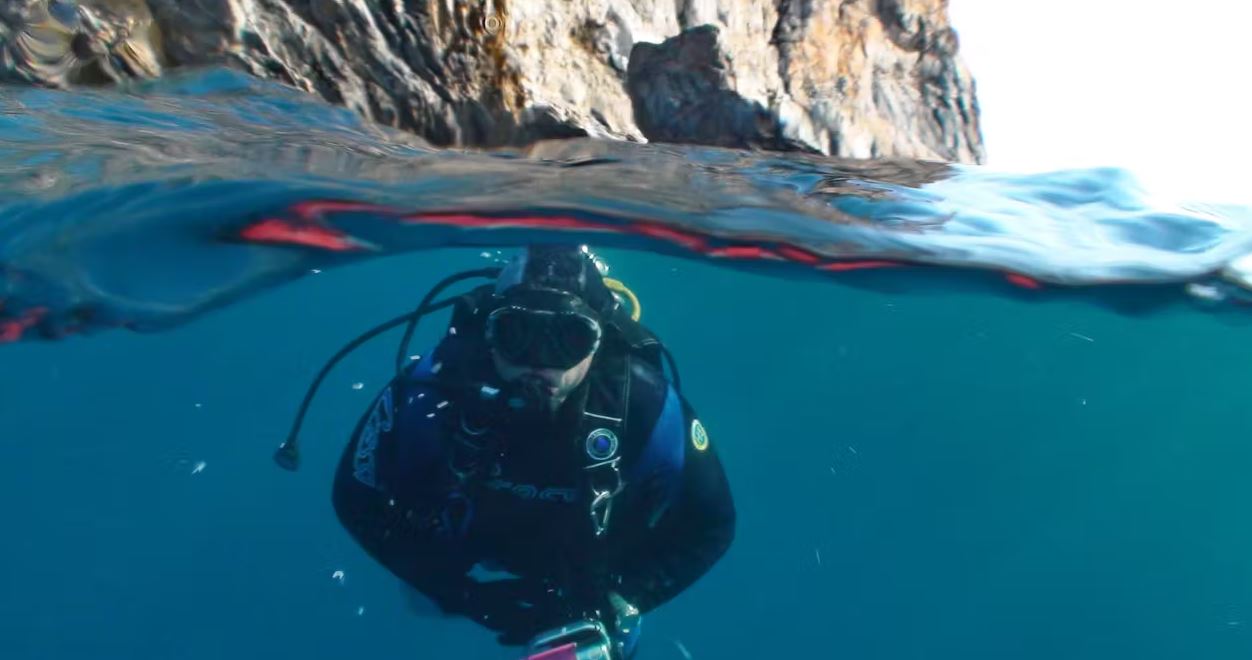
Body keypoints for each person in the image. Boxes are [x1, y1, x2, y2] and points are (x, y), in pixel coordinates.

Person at [326, 245, 736, 658]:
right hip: (469, 542)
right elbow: (355, 499)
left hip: (591, 569)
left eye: (568, 339)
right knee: (424, 605)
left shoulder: (645, 406)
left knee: (611, 641)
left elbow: (711, 525)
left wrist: (623, 598)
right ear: (488, 335)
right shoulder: (431, 389)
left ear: (597, 344)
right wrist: (461, 595)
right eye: (516, 335)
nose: (540, 365)